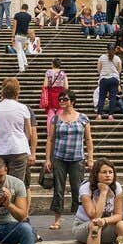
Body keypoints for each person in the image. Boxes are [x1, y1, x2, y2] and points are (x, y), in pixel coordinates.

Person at [44, 91, 93, 232]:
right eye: (60, 99)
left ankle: (78, 219)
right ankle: (57, 220)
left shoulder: (83, 118)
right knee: (58, 189)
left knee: (78, 189)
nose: (62, 101)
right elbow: (50, 139)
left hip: (77, 159)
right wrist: (47, 159)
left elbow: (88, 139)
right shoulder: (56, 119)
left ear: (73, 101)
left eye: (65, 99)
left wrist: (90, 158)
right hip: (59, 158)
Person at [0, 77, 36, 184]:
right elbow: (29, 132)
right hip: (18, 148)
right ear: (17, 91)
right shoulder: (23, 108)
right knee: (16, 183)